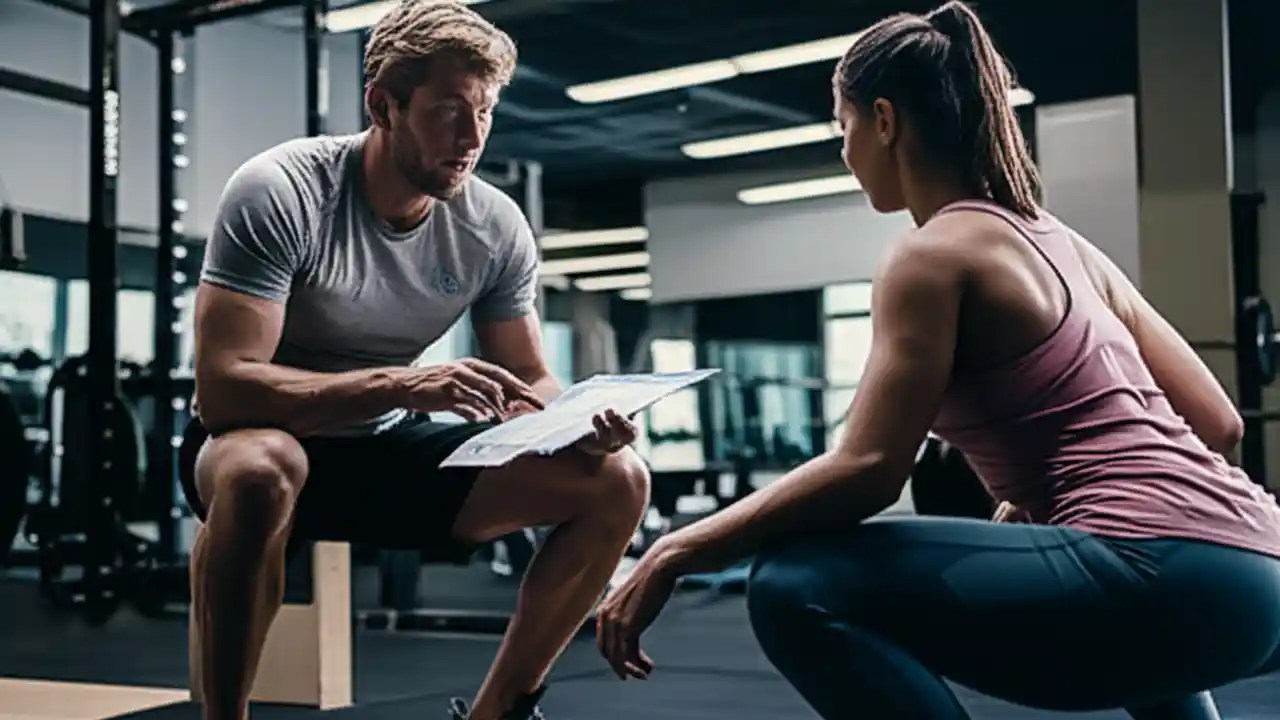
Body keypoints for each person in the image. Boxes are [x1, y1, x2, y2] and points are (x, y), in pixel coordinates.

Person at [596, 2, 1280, 718]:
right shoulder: (1068, 245)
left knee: (794, 583)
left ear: (884, 121)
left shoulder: (930, 256)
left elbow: (866, 471)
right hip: (1257, 574)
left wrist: (677, 550)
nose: (845, 151)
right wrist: (1043, 498)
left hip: (1164, 579)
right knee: (1136, 582)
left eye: (844, 128)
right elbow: (1220, 423)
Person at [180, 3, 650, 719]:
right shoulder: (281, 190)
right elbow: (224, 391)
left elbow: (526, 374)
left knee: (618, 479)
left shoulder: (493, 224)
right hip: (260, 437)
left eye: (486, 112)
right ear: (383, 105)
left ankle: (499, 713)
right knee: (261, 470)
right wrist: (400, 385)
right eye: (448, 112)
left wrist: (574, 421)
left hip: (390, 448)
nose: (471, 138)